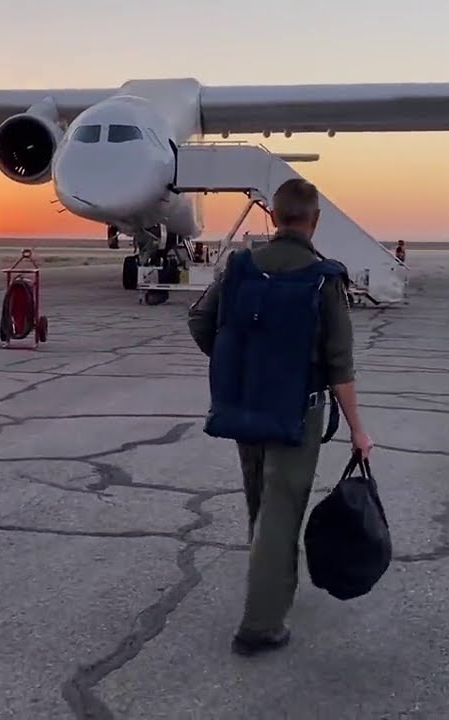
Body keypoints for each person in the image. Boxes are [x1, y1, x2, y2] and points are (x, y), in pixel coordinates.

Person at [186, 178, 374, 657]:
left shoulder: (241, 266)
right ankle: (262, 624)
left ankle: (270, 581)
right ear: (314, 220)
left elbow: (201, 322)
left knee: (259, 502)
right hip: (298, 414)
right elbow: (340, 365)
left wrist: (241, 366)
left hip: (246, 408)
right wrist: (358, 430)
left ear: (272, 217)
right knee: (281, 511)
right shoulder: (324, 276)